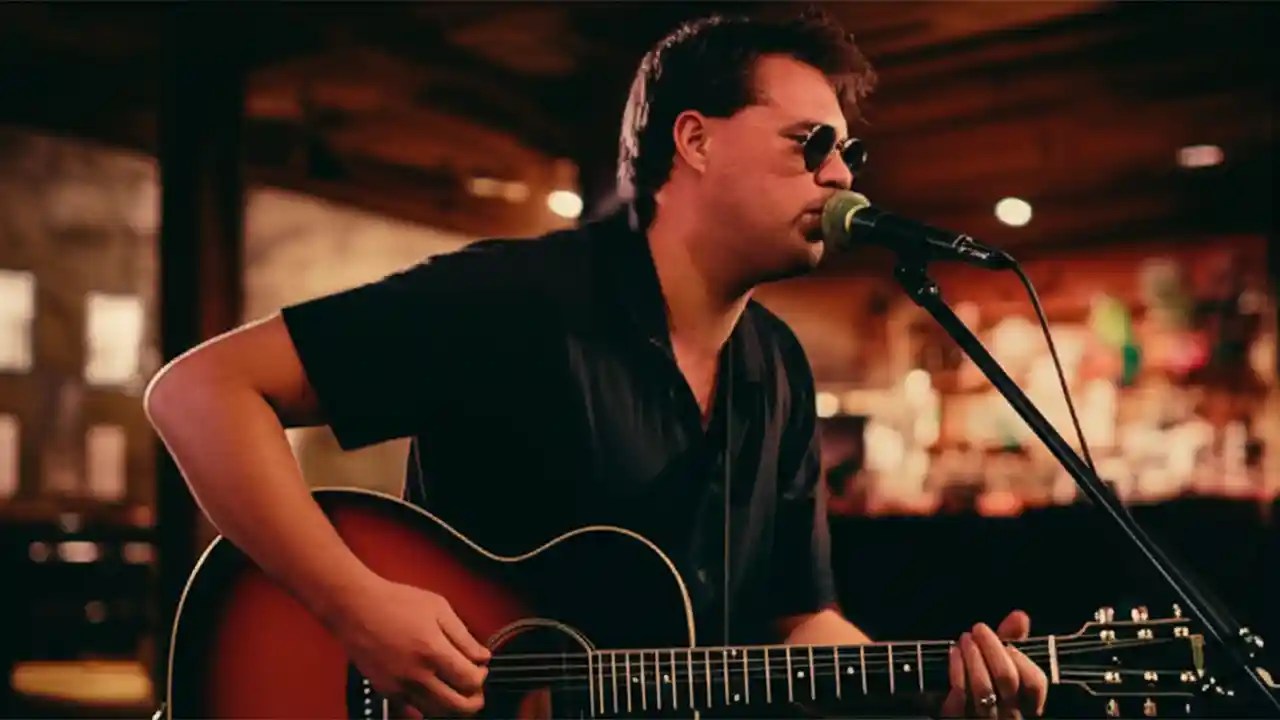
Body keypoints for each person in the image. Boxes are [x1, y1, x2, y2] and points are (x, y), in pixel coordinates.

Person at [145, 8, 1048, 719]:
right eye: (809, 143)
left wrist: (932, 686)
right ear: (693, 140)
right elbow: (197, 390)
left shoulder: (777, 369)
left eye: (847, 152)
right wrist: (354, 606)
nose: (841, 176)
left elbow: (791, 620)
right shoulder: (517, 301)